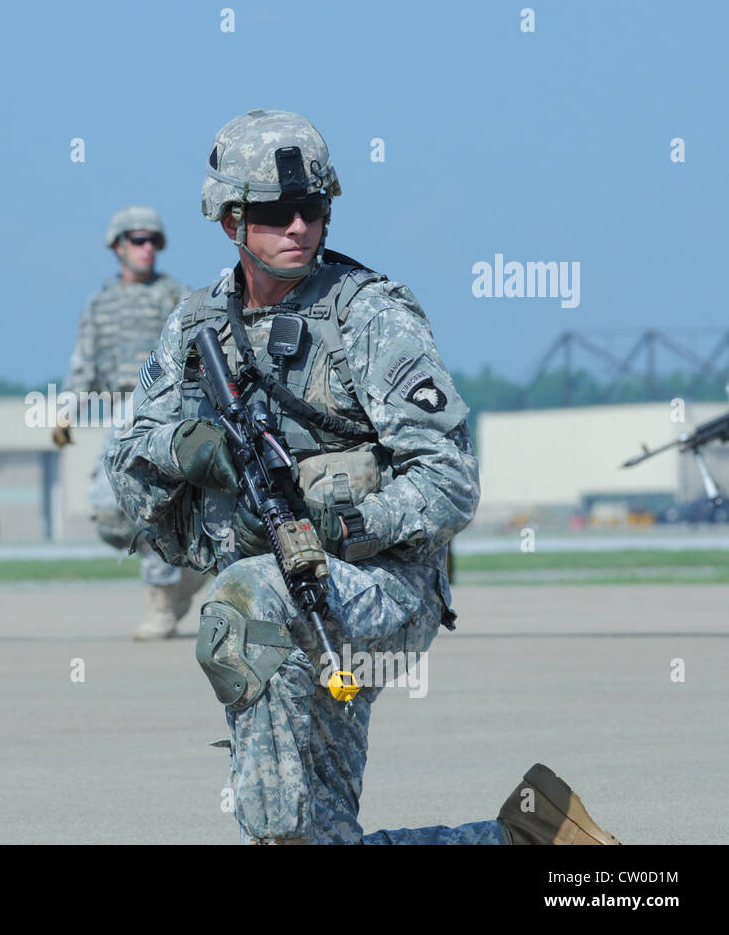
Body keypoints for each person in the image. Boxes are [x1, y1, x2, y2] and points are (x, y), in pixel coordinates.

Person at [105, 110, 620, 844]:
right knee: (322, 835)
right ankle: (525, 838)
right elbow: (126, 473)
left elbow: (449, 479)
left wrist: (343, 523)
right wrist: (185, 448)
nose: (298, 227)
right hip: (279, 607)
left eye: (312, 208)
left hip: (375, 591)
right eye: (275, 212)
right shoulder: (195, 331)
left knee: (240, 606)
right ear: (229, 221)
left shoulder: (371, 316)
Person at [55, 206, 207, 639]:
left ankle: (161, 603)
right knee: (108, 512)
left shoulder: (177, 296)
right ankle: (188, 570)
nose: (146, 249)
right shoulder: (100, 305)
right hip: (121, 412)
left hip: (167, 410)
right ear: (118, 246)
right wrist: (66, 411)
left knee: (153, 503)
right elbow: (83, 364)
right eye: (138, 241)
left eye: (153, 242)